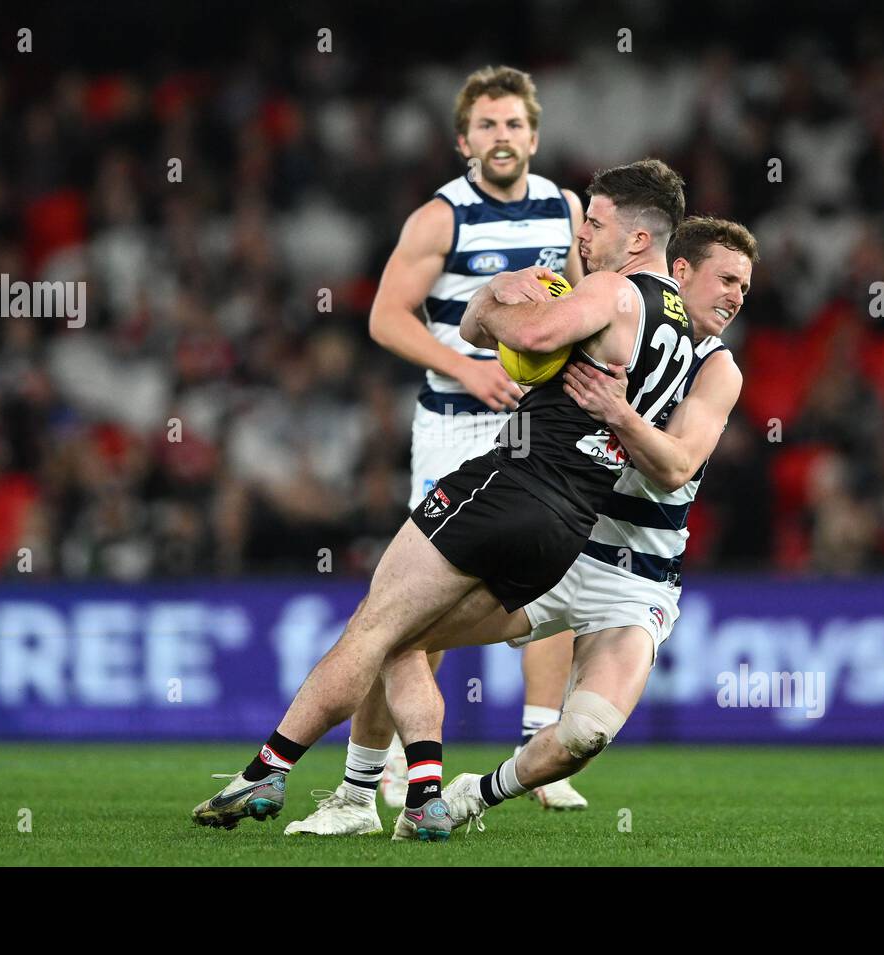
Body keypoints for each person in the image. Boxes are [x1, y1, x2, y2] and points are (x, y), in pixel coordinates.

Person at [192, 157, 691, 841]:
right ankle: (425, 793)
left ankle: (265, 770)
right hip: (566, 526)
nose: (584, 238)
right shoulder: (682, 332)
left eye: (597, 225)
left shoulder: (614, 290)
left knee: (373, 627)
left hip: (509, 483)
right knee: (408, 640)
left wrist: (494, 297)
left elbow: (526, 334)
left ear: (638, 239)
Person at [286, 215, 755, 838]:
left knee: (585, 736)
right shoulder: (605, 321)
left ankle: (471, 795)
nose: (735, 296)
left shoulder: (718, 369)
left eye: (744, 288)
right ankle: (355, 794)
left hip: (638, 581)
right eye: (726, 279)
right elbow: (535, 340)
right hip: (567, 550)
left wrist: (618, 413)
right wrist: (501, 295)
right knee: (401, 634)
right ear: (679, 272)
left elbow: (676, 466)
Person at [328, 65, 587, 816]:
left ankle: (542, 754)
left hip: (538, 424)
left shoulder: (566, 209)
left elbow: (582, 307)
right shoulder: (441, 217)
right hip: (455, 420)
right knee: (424, 598)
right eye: (486, 125)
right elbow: (386, 317)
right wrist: (468, 367)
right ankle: (378, 767)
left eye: (512, 124)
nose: (500, 137)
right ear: (462, 140)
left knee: (556, 585)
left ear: (533, 136)